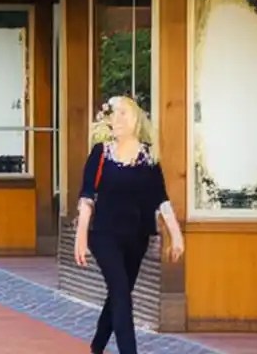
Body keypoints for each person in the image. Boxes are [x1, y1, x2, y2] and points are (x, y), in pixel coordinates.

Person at [75, 96, 185, 354]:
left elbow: (161, 199)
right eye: (115, 114)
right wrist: (81, 235)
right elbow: (87, 196)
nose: (118, 118)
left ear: (136, 119)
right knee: (122, 294)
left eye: (124, 112)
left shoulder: (149, 158)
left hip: (136, 238)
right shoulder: (101, 153)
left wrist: (176, 235)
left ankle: (97, 345)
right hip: (104, 236)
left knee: (118, 294)